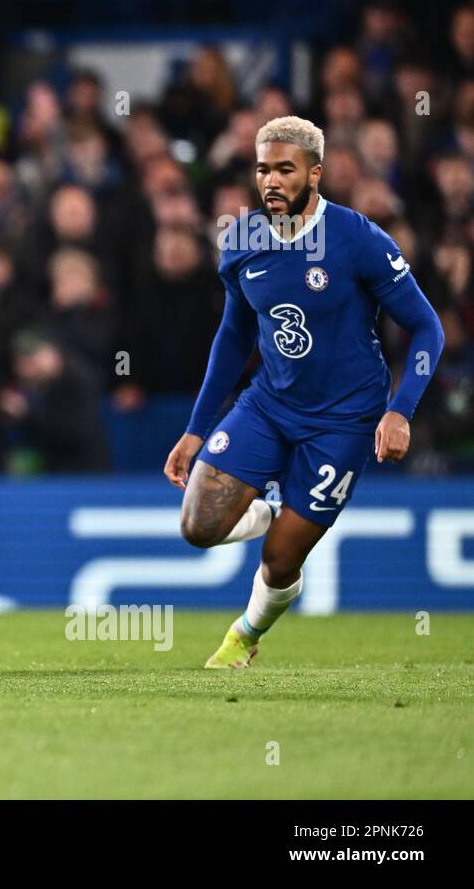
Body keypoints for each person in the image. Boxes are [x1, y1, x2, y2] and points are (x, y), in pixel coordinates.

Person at [163, 116, 444, 668]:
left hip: (345, 420)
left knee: (280, 559)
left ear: (314, 174)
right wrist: (197, 427)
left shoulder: (358, 238)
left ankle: (245, 635)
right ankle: (270, 509)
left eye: (284, 169)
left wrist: (400, 410)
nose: (270, 180)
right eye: (263, 168)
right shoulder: (241, 240)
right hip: (269, 405)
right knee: (198, 527)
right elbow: (234, 335)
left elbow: (428, 326)